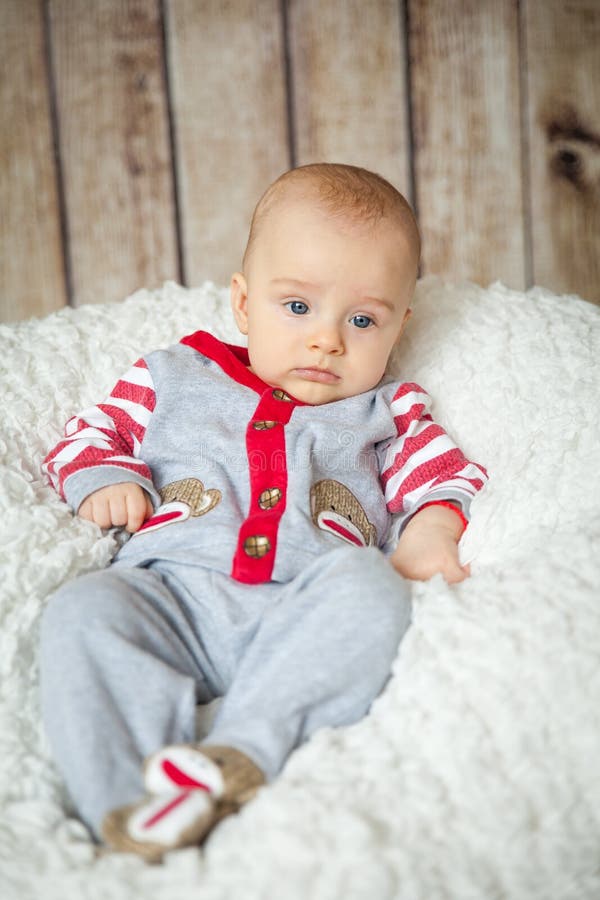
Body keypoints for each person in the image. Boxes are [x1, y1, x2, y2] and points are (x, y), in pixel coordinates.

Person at [40, 163, 487, 862]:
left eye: (363, 319)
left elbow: (442, 478)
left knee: (371, 589)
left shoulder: (385, 411)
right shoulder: (173, 375)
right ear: (243, 305)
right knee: (84, 611)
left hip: (300, 610)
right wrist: (104, 478)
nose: (327, 340)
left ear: (401, 324)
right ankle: (129, 804)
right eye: (298, 307)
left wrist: (431, 531)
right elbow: (90, 435)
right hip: (172, 595)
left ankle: (239, 756)